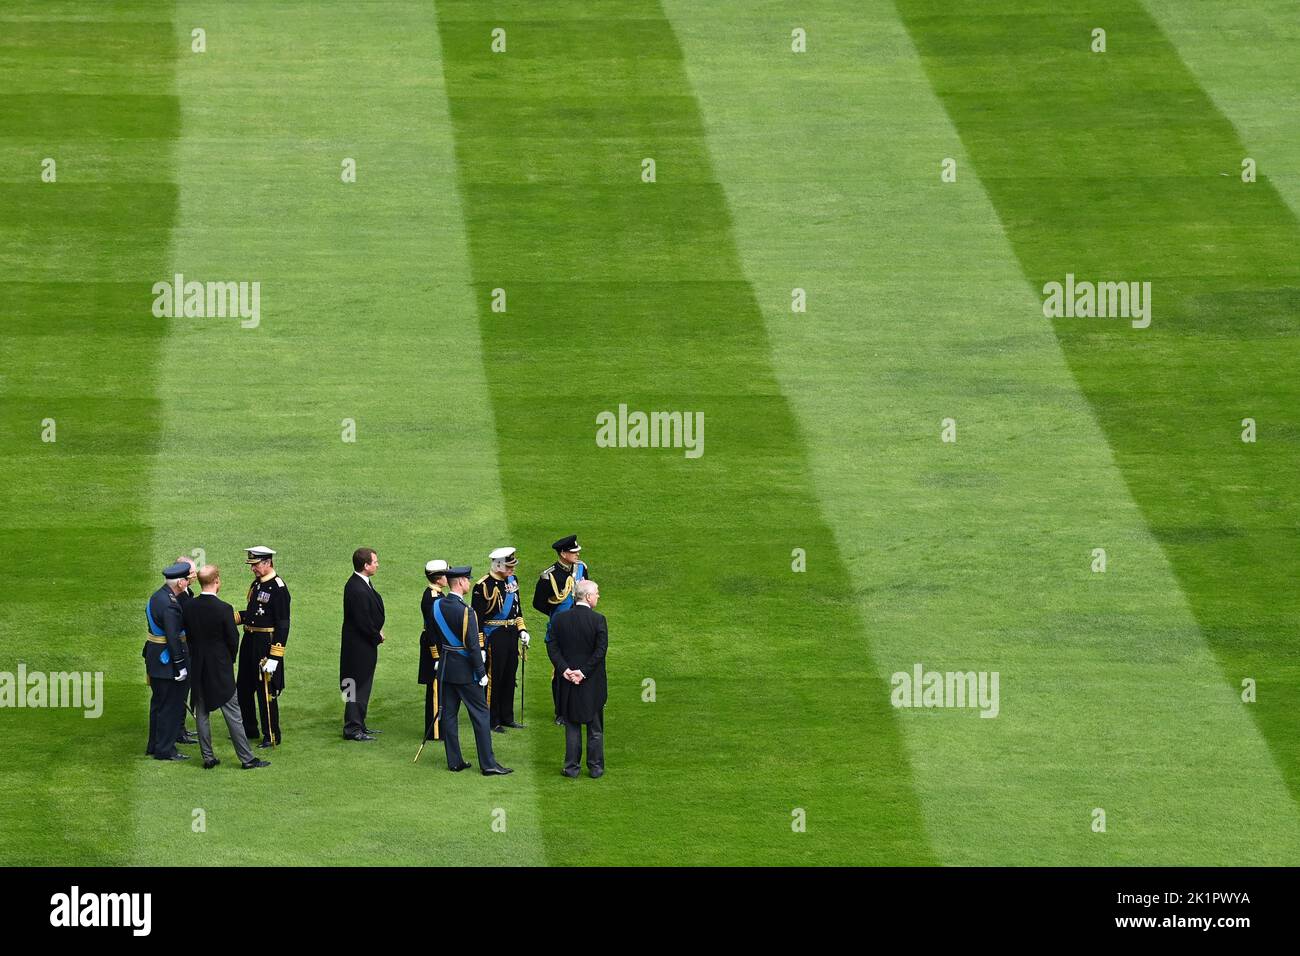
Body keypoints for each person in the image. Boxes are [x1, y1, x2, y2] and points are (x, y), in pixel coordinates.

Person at [180, 565, 269, 770]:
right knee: (233, 713)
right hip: (219, 668)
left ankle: (208, 757)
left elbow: (190, 636)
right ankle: (246, 759)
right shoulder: (224, 609)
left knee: (201, 713)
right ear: (217, 580)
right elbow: (233, 639)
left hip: (198, 665)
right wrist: (228, 659)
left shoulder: (189, 607)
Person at [431, 566, 511, 776]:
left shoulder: (437, 605)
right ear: (460, 582)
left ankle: (454, 761)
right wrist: (482, 672)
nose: (469, 583)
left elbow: (436, 635)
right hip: (465, 671)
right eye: (467, 580)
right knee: (481, 716)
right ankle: (488, 764)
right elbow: (473, 646)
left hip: (446, 667)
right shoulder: (466, 611)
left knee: (448, 715)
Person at [550, 579, 608, 778]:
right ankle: (596, 767)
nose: (599, 596)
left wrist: (565, 669)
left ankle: (571, 767)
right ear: (589, 596)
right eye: (597, 593)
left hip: (568, 682)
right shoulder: (598, 620)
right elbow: (600, 651)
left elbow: (552, 647)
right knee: (595, 728)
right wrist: (583, 672)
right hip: (592, 683)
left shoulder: (559, 619)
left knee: (572, 727)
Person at [234, 546, 290, 748]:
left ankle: (271, 734)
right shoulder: (257, 584)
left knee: (265, 691)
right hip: (249, 641)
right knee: (244, 687)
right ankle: (249, 729)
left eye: (256, 565)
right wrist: (228, 618)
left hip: (265, 646)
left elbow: (283, 625)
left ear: (267, 563)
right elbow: (254, 613)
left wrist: (275, 657)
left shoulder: (278, 589)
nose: (253, 569)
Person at [533, 534, 589, 724]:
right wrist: (558, 618)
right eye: (573, 551)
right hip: (561, 630)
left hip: (581, 627)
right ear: (563, 553)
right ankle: (561, 712)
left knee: (582, 665)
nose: (577, 553)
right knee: (560, 670)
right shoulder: (549, 576)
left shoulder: (581, 568)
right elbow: (538, 603)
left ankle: (580, 706)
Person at [473, 547, 530, 732]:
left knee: (509, 675)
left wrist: (522, 629)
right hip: (494, 636)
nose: (512, 570)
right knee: (494, 677)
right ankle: (491, 718)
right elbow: (478, 620)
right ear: (498, 565)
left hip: (511, 633)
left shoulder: (513, 580)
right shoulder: (482, 586)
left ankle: (507, 716)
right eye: (509, 566)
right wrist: (481, 646)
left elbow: (517, 609)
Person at [143, 562, 191, 761]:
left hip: (154, 658)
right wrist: (180, 665)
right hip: (167, 663)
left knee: (158, 705)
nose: (188, 582)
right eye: (187, 580)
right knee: (170, 707)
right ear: (180, 583)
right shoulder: (171, 604)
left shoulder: (158, 596)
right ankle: (165, 750)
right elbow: (173, 637)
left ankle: (154, 745)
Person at [341, 547, 385, 741]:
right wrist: (377, 636)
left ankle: (358, 723)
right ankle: (352, 728)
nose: (377, 564)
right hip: (359, 647)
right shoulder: (357, 588)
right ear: (365, 565)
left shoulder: (360, 583)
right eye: (374, 562)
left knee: (362, 685)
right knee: (355, 685)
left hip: (360, 646)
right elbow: (363, 621)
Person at [419, 560, 449, 739]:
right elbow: (431, 630)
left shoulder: (438, 595)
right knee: (435, 688)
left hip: (438, 646)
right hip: (434, 649)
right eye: (445, 575)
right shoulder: (431, 598)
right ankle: (435, 731)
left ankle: (440, 728)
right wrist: (436, 656)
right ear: (438, 578)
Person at [174, 555, 199, 746]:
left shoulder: (187, 592)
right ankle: (178, 731)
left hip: (187, 648)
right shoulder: (180, 596)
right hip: (183, 650)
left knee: (184, 691)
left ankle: (180, 728)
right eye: (192, 572)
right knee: (180, 693)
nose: (195, 574)